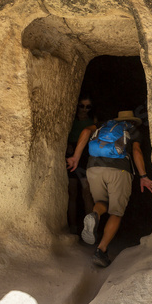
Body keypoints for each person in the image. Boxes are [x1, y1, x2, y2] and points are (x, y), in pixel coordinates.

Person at [67, 110, 152, 267]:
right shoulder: (133, 130)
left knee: (101, 202)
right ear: (133, 120)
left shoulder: (103, 125)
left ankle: (95, 214)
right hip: (119, 170)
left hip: (93, 168)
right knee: (116, 212)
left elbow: (86, 130)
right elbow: (136, 151)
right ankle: (101, 251)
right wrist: (143, 176)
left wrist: (75, 157)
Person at [66, 96, 97, 233]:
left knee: (87, 192)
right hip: (70, 156)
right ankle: (72, 226)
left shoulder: (93, 121)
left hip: (86, 157)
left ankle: (89, 229)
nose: (84, 109)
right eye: (82, 106)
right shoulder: (70, 118)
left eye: (88, 107)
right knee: (72, 192)